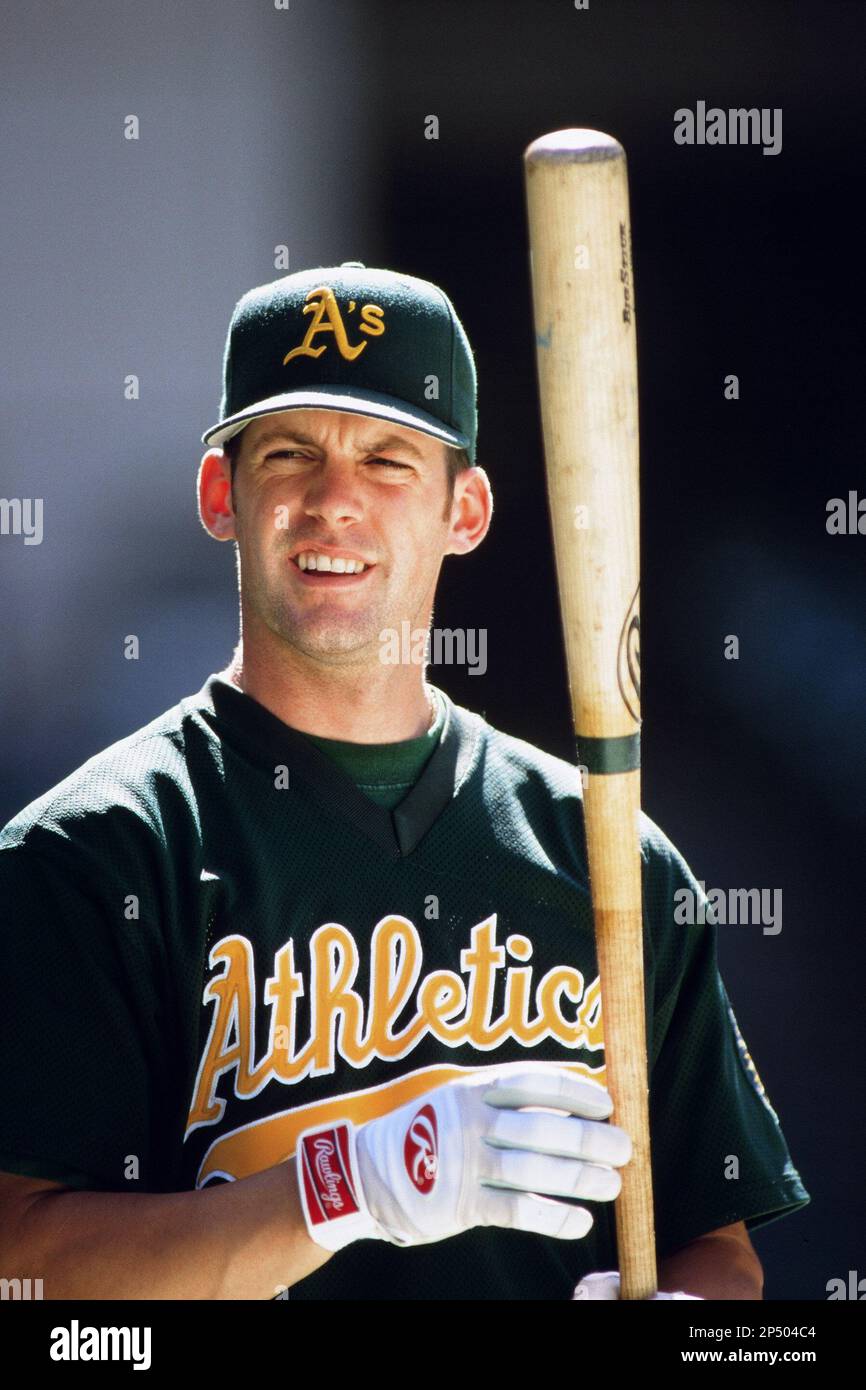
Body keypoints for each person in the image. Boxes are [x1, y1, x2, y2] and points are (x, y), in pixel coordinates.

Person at [0, 263, 809, 1300]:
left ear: (463, 509)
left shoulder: (606, 853)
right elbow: (27, 1269)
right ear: (219, 493)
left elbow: (719, 1248)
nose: (333, 500)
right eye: (290, 452)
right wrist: (345, 1185)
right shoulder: (88, 857)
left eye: (387, 459)